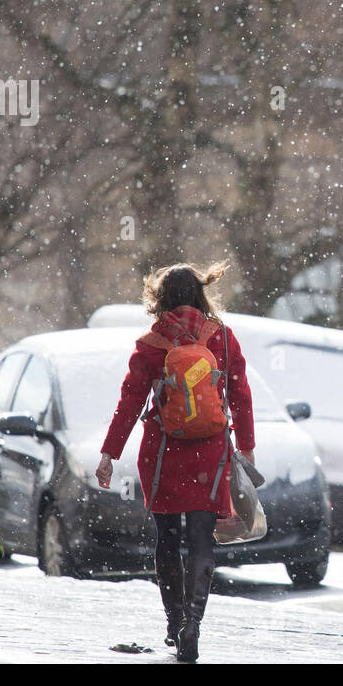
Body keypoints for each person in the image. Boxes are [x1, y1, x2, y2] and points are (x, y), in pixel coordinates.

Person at [94, 262, 254, 663]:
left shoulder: (151, 344)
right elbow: (241, 395)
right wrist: (247, 447)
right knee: (202, 539)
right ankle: (192, 625)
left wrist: (109, 453)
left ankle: (174, 621)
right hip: (210, 452)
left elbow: (130, 401)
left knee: (167, 539)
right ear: (201, 295)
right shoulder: (224, 339)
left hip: (163, 452)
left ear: (160, 298)